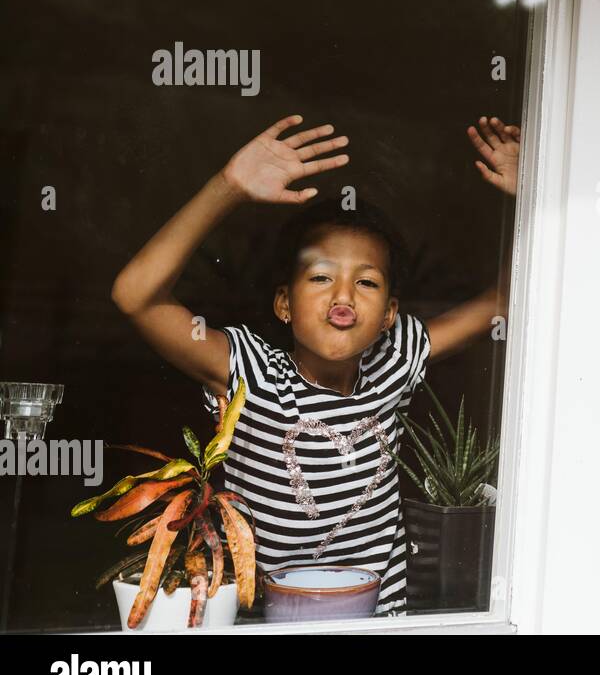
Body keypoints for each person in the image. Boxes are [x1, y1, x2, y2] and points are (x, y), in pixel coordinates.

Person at [110, 114, 520, 616]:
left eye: (367, 282)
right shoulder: (253, 374)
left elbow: (503, 298)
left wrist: (529, 195)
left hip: (378, 625)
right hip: (268, 625)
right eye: (321, 277)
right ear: (284, 303)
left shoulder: (394, 362)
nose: (343, 297)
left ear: (391, 314)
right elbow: (136, 298)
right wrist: (228, 187)